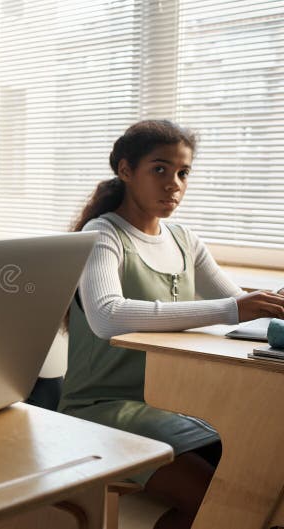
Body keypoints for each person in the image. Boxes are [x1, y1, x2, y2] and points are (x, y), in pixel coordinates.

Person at [58, 119, 284, 529]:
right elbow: (108, 316)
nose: (173, 184)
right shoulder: (103, 235)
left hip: (176, 406)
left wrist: (262, 310)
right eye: (159, 169)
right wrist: (232, 309)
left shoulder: (184, 239)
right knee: (230, 505)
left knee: (266, 488)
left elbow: (243, 311)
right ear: (126, 171)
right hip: (102, 408)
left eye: (182, 173)